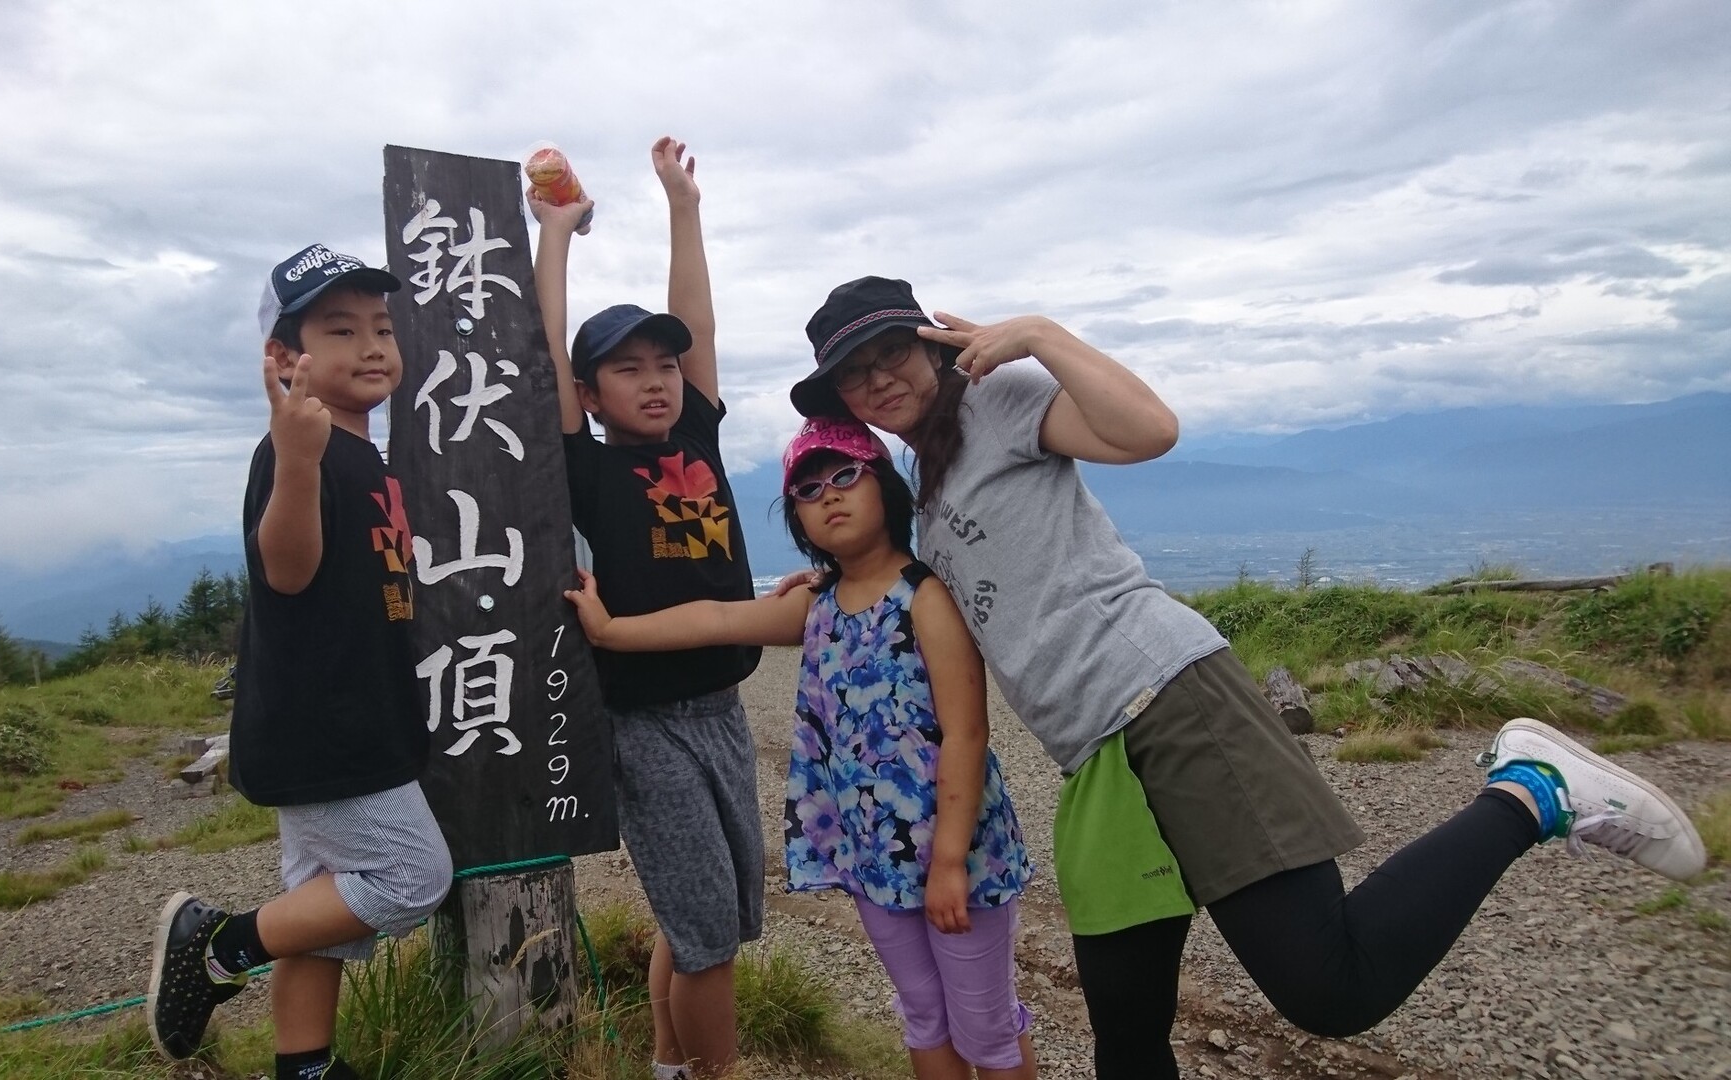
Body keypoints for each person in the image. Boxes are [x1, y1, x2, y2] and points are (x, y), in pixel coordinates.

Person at [785, 275, 1710, 1079]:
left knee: (1329, 988)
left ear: (936, 344)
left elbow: (1150, 430)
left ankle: (1529, 792)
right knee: (1129, 1034)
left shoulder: (1000, 398)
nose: (877, 382)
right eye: (853, 376)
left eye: (891, 353)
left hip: (1167, 698)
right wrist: (828, 575)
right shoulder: (930, 467)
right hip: (1098, 765)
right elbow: (925, 585)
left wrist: (1037, 333)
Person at [566, 417, 1039, 1080]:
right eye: (808, 489)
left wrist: (951, 862)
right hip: (874, 859)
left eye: (847, 475)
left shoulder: (927, 598)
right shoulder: (819, 607)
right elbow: (717, 618)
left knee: (986, 1029)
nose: (830, 495)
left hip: (962, 856)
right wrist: (610, 631)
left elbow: (967, 732)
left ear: (886, 489)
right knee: (923, 1015)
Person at [145, 245, 454, 1080]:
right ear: (286, 358)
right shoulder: (296, 452)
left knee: (324, 908)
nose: (371, 346)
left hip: (355, 715)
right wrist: (297, 459)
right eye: (339, 329)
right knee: (410, 876)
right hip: (328, 729)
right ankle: (218, 945)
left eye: (381, 328)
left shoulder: (366, 458)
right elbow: (285, 569)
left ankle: (303, 1066)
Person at [528, 137, 761, 1079]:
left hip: (726, 709)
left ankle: (668, 1061)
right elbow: (549, 350)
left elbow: (695, 318)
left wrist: (683, 207)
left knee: (715, 916)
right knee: (708, 937)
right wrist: (556, 239)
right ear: (590, 394)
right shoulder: (585, 463)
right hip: (644, 723)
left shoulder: (697, 425)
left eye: (665, 364)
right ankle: (717, 1071)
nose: (658, 379)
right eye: (629, 370)